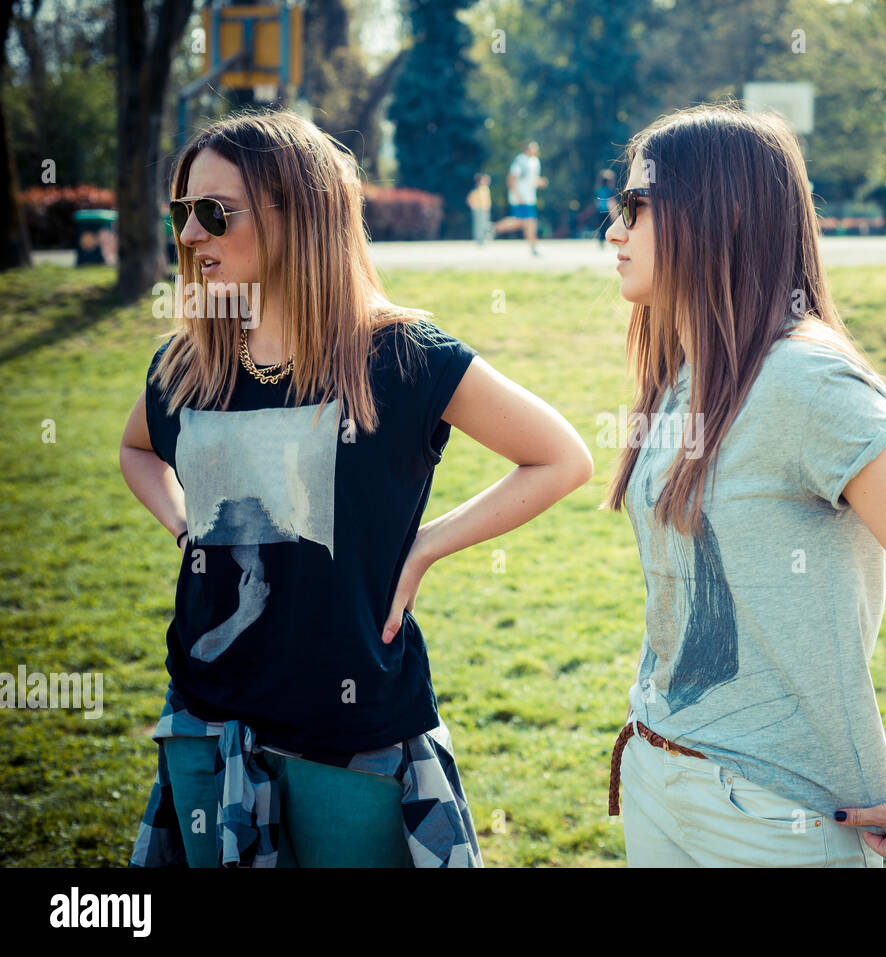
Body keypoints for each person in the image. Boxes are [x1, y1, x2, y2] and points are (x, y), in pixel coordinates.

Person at [121, 109, 593, 868]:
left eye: (214, 212)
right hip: (207, 720)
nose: (189, 235)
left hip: (353, 732)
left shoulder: (402, 356)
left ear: (298, 213)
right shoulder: (187, 362)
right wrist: (184, 527)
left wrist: (427, 546)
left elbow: (562, 457)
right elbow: (134, 448)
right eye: (183, 212)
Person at [601, 103, 886, 867]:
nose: (614, 231)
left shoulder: (806, 379)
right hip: (656, 771)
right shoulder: (682, 371)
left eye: (637, 207)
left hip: (774, 814)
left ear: (728, 213)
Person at [492, 140, 548, 256]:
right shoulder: (520, 160)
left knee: (524, 222)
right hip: (521, 198)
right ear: (527, 149)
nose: (536, 150)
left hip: (530, 198)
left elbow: (531, 180)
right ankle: (493, 228)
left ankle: (493, 228)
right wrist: (517, 195)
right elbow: (511, 178)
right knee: (526, 221)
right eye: (534, 148)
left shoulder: (535, 162)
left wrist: (540, 182)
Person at [467, 172, 493, 245]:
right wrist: (474, 206)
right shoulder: (476, 189)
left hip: (484, 209)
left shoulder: (485, 188)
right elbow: (470, 199)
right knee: (479, 224)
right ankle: (479, 239)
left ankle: (484, 238)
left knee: (484, 224)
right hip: (478, 209)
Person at [594, 169, 617, 247]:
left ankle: (601, 241)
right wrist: (614, 212)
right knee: (609, 226)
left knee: (602, 226)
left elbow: (596, 201)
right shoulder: (609, 190)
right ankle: (611, 240)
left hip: (600, 210)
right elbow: (611, 201)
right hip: (607, 210)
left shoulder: (599, 189)